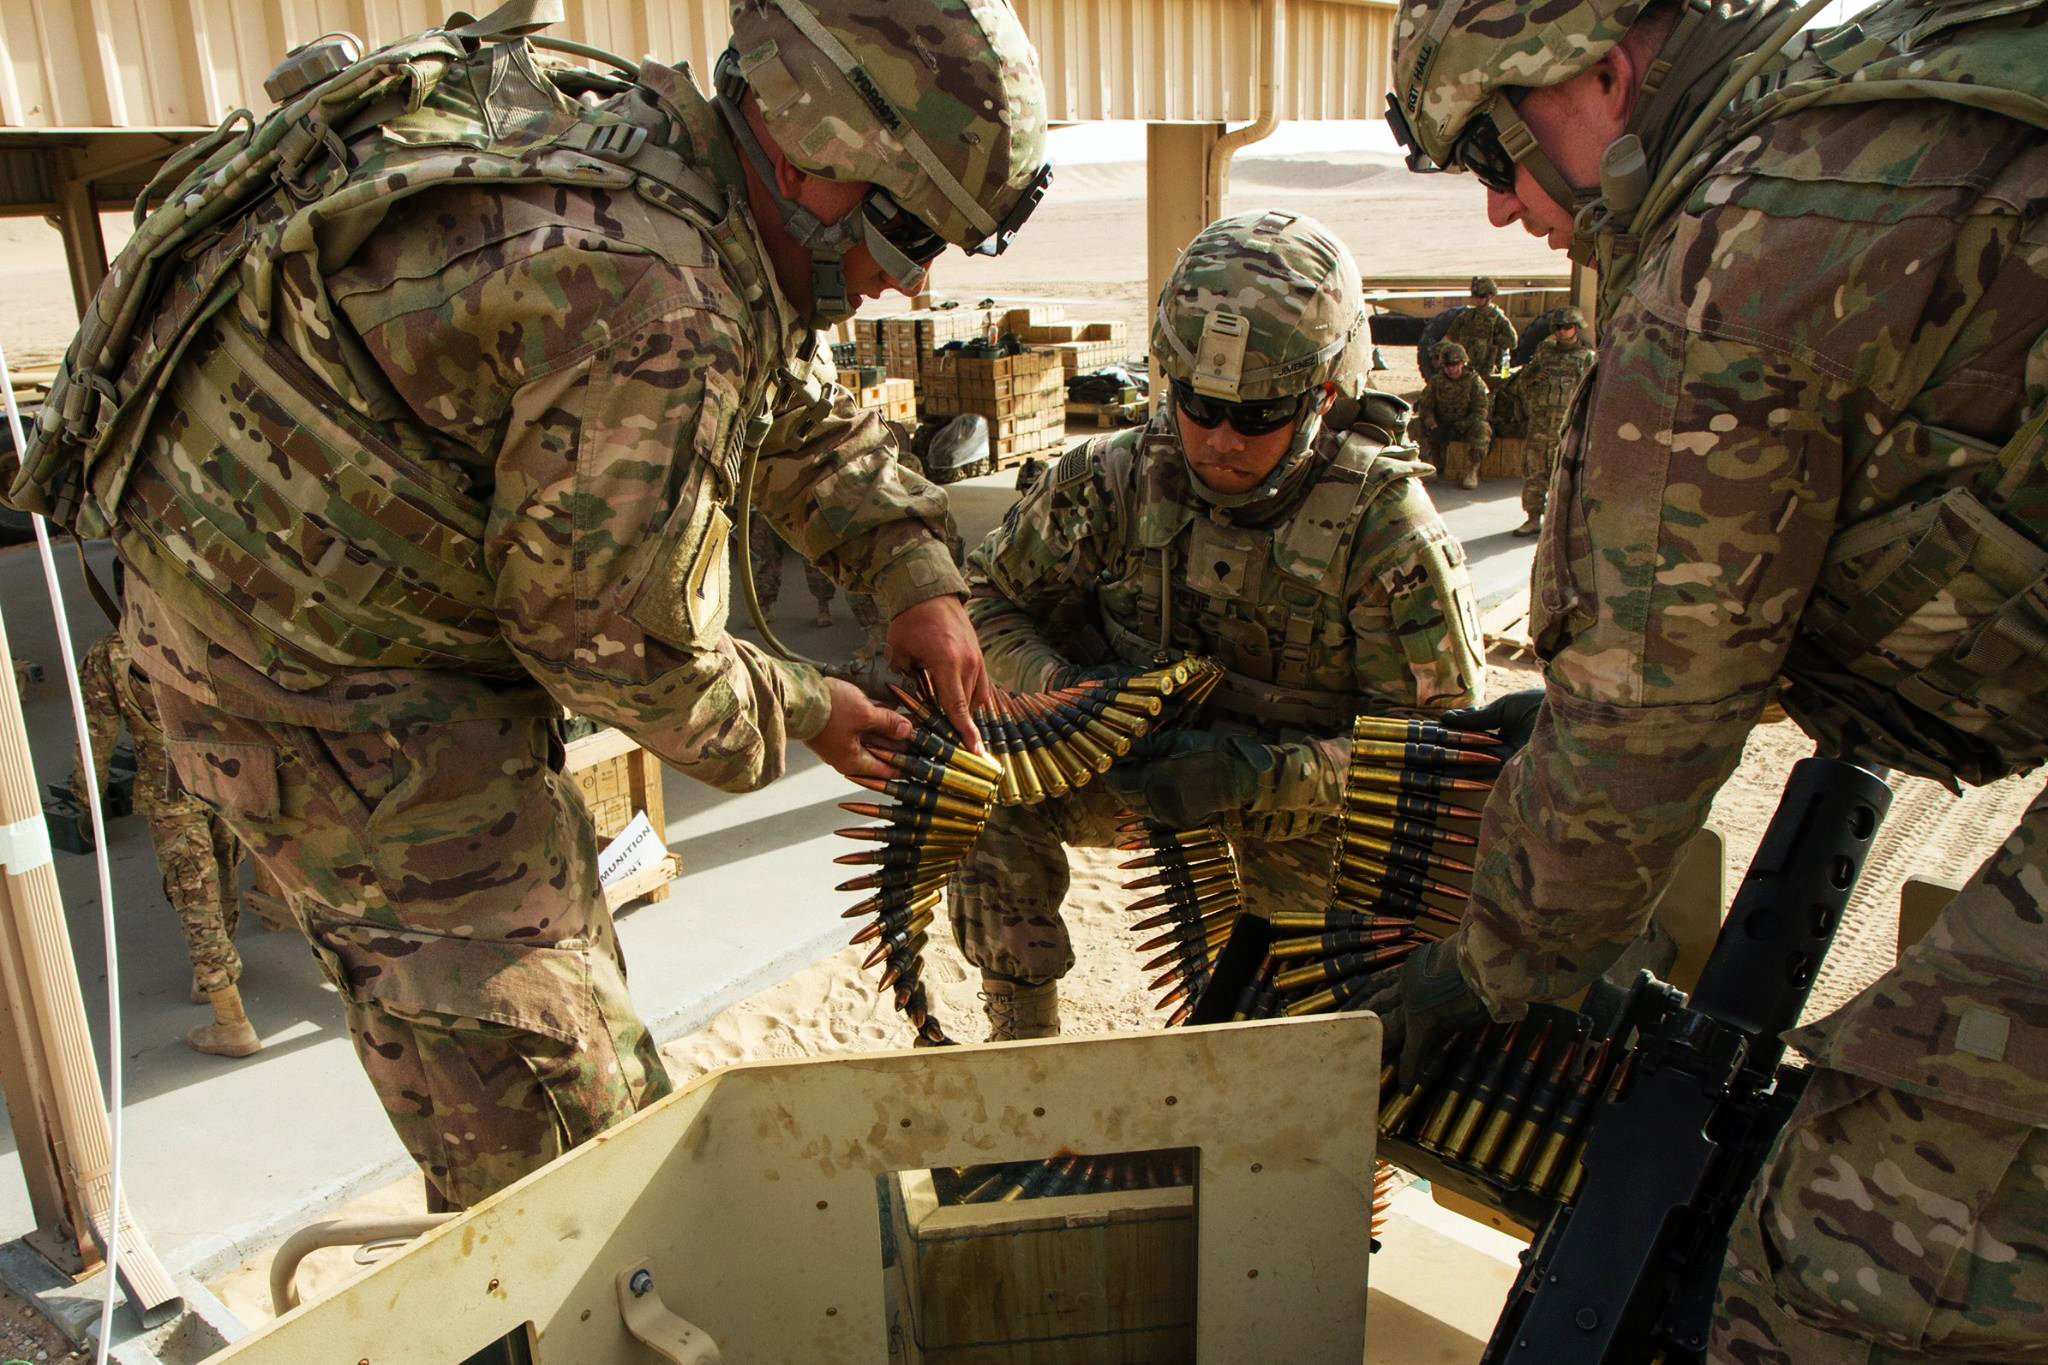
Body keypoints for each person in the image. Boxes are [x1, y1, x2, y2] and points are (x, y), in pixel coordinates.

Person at [8, 0, 1050, 1210]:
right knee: (566, 1147)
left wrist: (912, 568)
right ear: (815, 152)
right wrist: (811, 709)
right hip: (340, 708)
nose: (914, 278)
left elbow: (789, 400)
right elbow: (616, 651)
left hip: (330, 625)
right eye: (906, 227)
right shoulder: (657, 296)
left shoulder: (657, 163)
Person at [1374, 0, 2048, 1357]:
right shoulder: (1863, 125)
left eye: (1494, 154)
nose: (1503, 212)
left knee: (1874, 1241)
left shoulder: (1740, 254)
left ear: (1602, 74)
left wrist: (1487, 967)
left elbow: (1645, 724)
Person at [950, 211, 1483, 1039]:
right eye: (1198, 403)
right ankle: (1022, 1044)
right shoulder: (1114, 478)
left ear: (1327, 395)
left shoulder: (1385, 528)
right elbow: (981, 599)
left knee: (1295, 1031)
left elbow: (1442, 758)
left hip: (1301, 806)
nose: (1220, 439)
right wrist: (1069, 699)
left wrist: (1260, 777)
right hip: (1123, 769)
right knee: (982, 783)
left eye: (1261, 416)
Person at [71, 616, 258, 1059]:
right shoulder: (204, 634)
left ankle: (230, 1020)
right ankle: (217, 967)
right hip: (223, 776)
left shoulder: (109, 654)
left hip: (169, 790)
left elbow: (95, 734)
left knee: (194, 895)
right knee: (223, 870)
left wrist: (87, 798)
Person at [1508, 308, 1594, 536]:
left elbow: (1594, 394)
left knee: (1567, 477)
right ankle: (1533, 518)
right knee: (1535, 473)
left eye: (1566, 327)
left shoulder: (1586, 358)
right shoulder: (1544, 353)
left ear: (1576, 328)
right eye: (1558, 328)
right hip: (1540, 425)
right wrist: (1535, 378)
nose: (1562, 332)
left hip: (1567, 428)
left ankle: (1561, 524)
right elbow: (1523, 382)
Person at [1414, 340, 1492, 490]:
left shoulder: (1474, 382)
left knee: (1483, 429)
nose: (1451, 369)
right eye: (1447, 366)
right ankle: (1430, 464)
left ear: (1462, 363)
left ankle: (1471, 470)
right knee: (1415, 426)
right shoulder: (1437, 381)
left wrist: (1460, 426)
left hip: (1465, 426)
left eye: (1454, 365)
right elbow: (1425, 406)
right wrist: (1432, 424)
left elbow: (1482, 410)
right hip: (1442, 425)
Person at [1440, 275, 1518, 383]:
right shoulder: (1467, 316)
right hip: (1469, 369)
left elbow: (1512, 342)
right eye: (1475, 296)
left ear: (1490, 296)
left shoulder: (1498, 318)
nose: (1477, 300)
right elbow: (1450, 337)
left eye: (1481, 296)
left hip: (1490, 371)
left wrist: (1495, 339)